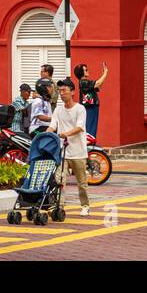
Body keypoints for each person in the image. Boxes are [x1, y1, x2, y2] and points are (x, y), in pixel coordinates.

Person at [52, 80, 91, 216]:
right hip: (63, 153)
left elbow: (80, 127)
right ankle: (59, 206)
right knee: (59, 180)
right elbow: (53, 125)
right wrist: (46, 134)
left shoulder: (80, 109)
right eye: (60, 91)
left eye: (64, 91)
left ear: (72, 92)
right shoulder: (58, 109)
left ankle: (85, 205)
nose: (61, 93)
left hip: (78, 152)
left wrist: (65, 134)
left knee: (81, 183)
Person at [74, 63, 108, 137]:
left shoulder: (86, 82)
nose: (88, 71)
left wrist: (103, 75)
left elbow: (99, 87)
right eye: (86, 70)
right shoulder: (83, 82)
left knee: (92, 127)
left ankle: (90, 143)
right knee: (90, 128)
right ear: (81, 73)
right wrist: (105, 73)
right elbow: (98, 83)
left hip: (92, 107)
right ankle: (89, 145)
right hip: (89, 108)